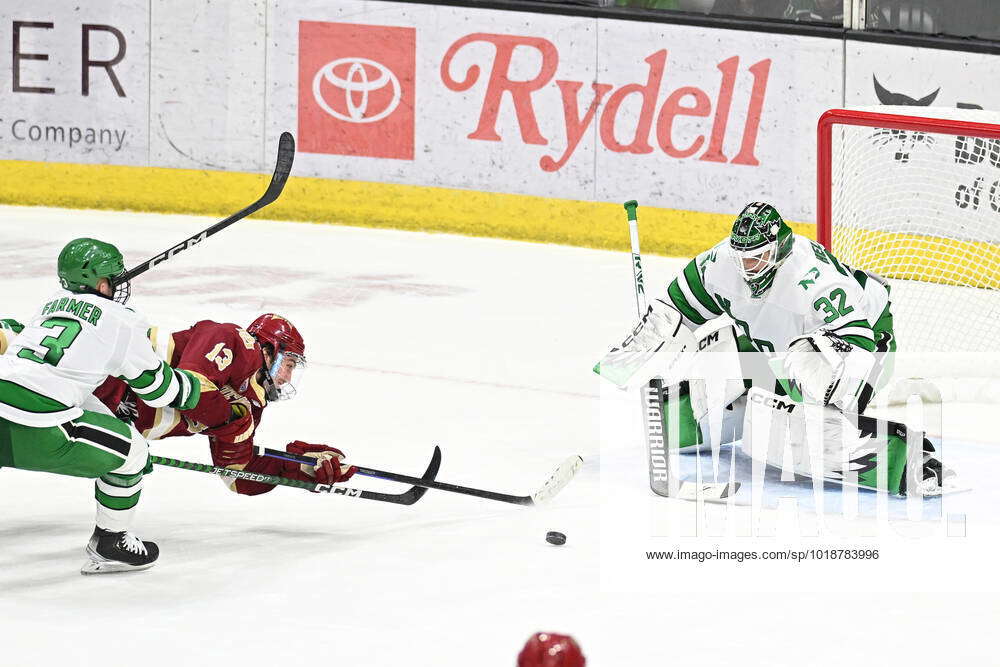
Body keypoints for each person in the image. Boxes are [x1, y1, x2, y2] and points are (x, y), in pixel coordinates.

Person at [597, 202, 955, 495]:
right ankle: (704, 417)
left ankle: (909, 460)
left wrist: (823, 408)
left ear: (780, 248)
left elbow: (858, 342)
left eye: (757, 258)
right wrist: (642, 354)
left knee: (795, 415)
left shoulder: (812, 280)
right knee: (718, 349)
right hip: (776, 347)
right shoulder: (721, 264)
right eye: (741, 258)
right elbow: (674, 309)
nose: (747, 268)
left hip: (864, 342)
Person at [0, 238, 201, 574]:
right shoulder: (124, 320)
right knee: (133, 451)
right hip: (40, 426)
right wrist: (194, 388)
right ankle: (111, 542)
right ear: (103, 283)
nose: (122, 282)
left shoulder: (52, 303)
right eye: (116, 277)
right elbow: (158, 389)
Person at [93, 314, 357, 495]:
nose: (287, 377)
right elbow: (190, 387)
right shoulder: (236, 341)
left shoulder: (250, 405)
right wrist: (231, 419)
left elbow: (237, 477)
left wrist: (295, 467)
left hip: (105, 418)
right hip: (97, 376)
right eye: (287, 364)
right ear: (268, 351)